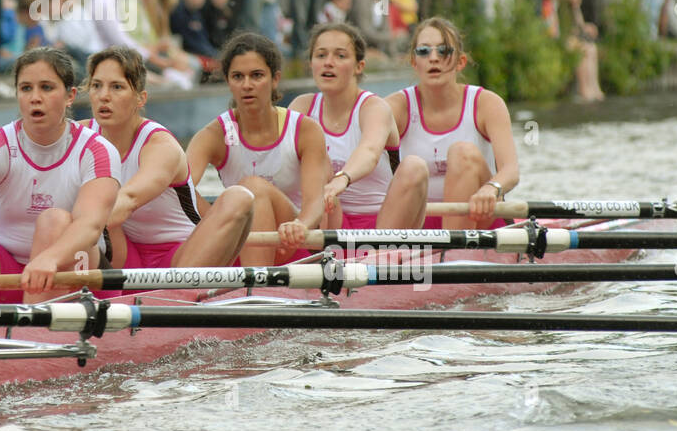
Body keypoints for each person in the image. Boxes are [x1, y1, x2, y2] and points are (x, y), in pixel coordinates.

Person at [0, 48, 121, 303]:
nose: (35, 98)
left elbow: (89, 226)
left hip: (78, 271)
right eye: (26, 89)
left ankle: (34, 333)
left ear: (70, 96)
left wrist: (49, 258)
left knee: (54, 220)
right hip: (9, 276)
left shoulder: (97, 150)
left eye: (46, 88)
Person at [83, 47, 254, 269]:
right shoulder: (81, 135)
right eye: (97, 86)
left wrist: (75, 229)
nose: (104, 95)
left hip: (181, 254)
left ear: (140, 99)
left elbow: (129, 199)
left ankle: (179, 293)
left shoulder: (160, 146)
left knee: (240, 198)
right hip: (126, 253)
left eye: (117, 87)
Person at [186, 33, 329, 267]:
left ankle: (256, 291)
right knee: (249, 192)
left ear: (275, 79)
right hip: (243, 243)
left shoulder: (305, 130)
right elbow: (180, 190)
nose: (247, 85)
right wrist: (215, 222)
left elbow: (315, 204)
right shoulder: (216, 135)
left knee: (252, 188)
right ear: (228, 81)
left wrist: (299, 226)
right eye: (237, 77)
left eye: (257, 75)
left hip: (294, 243)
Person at [288, 24, 427, 230]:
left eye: (340, 56)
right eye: (321, 55)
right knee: (318, 160)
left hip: (379, 224)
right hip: (328, 219)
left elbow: (369, 151)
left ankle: (379, 257)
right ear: (311, 64)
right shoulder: (301, 106)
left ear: (359, 66)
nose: (328, 63)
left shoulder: (374, 107)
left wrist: (342, 178)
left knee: (415, 166)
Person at [386, 18, 519, 230]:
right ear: (414, 62)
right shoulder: (395, 107)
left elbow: (511, 171)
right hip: (418, 221)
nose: (433, 58)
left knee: (462, 153)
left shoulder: (486, 104)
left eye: (444, 51)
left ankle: (455, 255)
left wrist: (491, 188)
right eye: (423, 51)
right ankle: (383, 255)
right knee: (410, 167)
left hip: (479, 216)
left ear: (460, 62)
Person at [542, 0, 606, 100]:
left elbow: (578, 27)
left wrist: (576, 7)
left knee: (591, 49)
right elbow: (554, 31)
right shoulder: (549, 4)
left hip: (563, 40)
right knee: (583, 50)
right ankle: (585, 90)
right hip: (554, 43)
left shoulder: (565, 5)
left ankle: (594, 89)